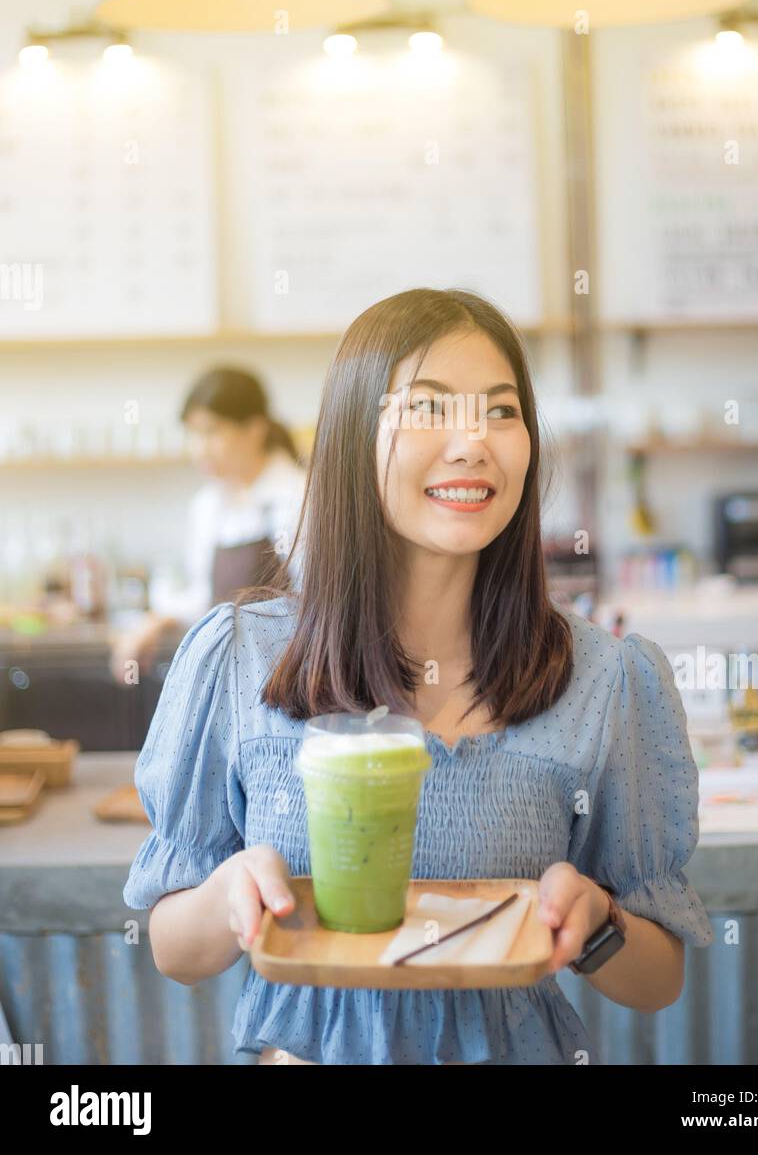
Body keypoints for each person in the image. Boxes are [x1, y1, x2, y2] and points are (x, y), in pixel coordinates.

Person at [122, 288, 714, 1065]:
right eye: (429, 410)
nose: (473, 444)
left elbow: (657, 978)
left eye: (502, 412)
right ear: (350, 437)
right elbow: (173, 949)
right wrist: (229, 894)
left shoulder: (602, 678)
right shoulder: (239, 658)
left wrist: (595, 920)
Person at [110, 367, 306, 685]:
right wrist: (155, 621)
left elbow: (321, 603)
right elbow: (208, 598)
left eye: (211, 431)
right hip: (229, 674)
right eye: (193, 434)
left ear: (255, 429)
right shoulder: (208, 505)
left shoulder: (298, 496)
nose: (199, 448)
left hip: (288, 677)